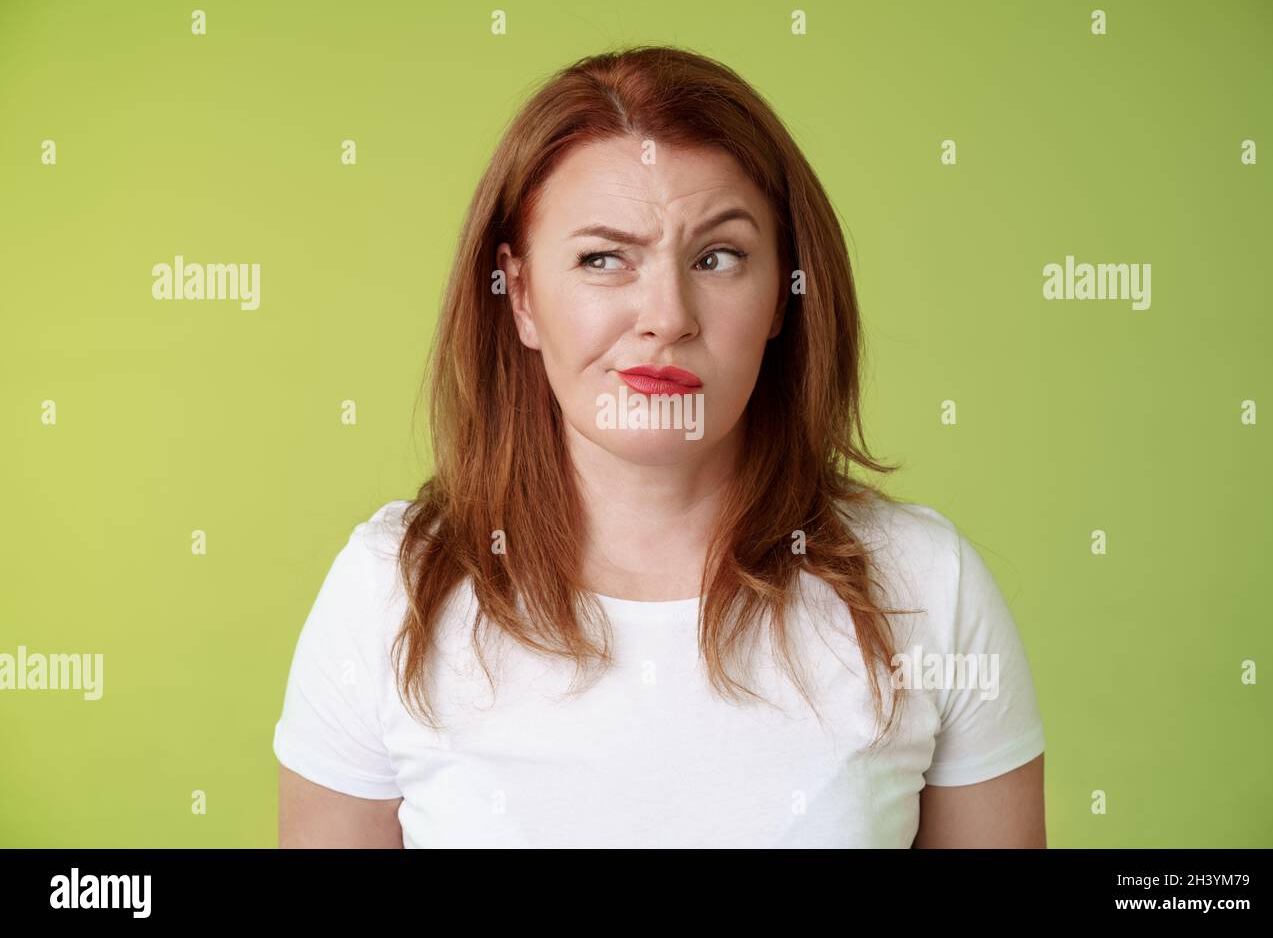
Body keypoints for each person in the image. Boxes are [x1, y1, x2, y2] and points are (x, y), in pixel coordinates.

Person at [274, 45, 1046, 848]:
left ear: (785, 294)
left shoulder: (927, 587)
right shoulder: (386, 595)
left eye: (717, 257)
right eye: (603, 258)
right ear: (523, 296)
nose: (667, 316)